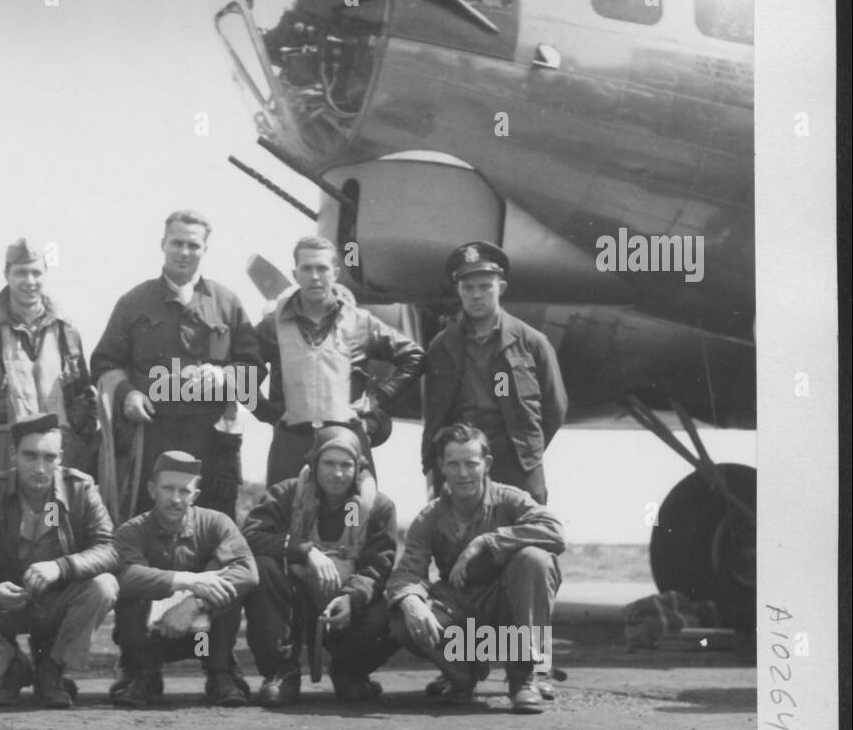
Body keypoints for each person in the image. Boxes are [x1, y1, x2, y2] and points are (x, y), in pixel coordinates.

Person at [0, 413, 119, 709]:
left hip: (60, 600)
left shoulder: (80, 490)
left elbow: (108, 549)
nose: (40, 467)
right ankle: (10, 669)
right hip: (8, 602)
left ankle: (52, 671)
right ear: (14, 455)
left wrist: (61, 567)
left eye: (49, 458)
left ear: (60, 458)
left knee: (104, 586)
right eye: (30, 456)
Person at [89, 210, 263, 521]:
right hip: (150, 436)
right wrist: (128, 394)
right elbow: (104, 363)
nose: (184, 252)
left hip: (210, 439)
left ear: (205, 250)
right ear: (163, 244)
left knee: (210, 523)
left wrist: (224, 376)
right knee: (144, 521)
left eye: (194, 246)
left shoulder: (227, 303)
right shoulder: (133, 303)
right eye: (177, 243)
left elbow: (254, 369)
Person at [385, 423, 566, 713]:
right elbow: (407, 571)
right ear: (441, 466)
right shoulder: (430, 517)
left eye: (471, 463)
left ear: (487, 464)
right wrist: (411, 601)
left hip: (507, 605)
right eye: (453, 464)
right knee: (401, 616)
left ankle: (524, 676)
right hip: (462, 607)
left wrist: (488, 540)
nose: (463, 473)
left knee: (535, 559)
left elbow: (554, 532)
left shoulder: (510, 499)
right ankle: (463, 674)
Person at [242, 426, 399, 706]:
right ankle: (282, 673)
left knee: (389, 608)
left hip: (346, 605)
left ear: (358, 467)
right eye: (328, 463)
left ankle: (349, 673)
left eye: (345, 465)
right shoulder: (286, 494)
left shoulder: (379, 507)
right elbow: (251, 537)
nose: (337, 474)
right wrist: (305, 550)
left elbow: (379, 567)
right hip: (295, 599)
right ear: (313, 463)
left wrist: (353, 598)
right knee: (263, 567)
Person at [255, 236, 425, 485]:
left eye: (322, 268)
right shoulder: (272, 326)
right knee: (283, 514)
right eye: (307, 268)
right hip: (291, 443)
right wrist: (266, 412)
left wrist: (379, 399)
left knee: (353, 516)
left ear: (334, 273)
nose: (315, 276)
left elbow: (414, 356)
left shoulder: (361, 322)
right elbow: (242, 373)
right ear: (295, 273)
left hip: (347, 440)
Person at [0, 238, 99, 498]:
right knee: (2, 534)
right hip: (0, 459)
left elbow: (85, 397)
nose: (29, 281)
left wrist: (79, 450)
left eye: (36, 272)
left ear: (45, 274)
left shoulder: (67, 332)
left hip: (57, 460)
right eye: (20, 272)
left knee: (56, 528)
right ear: (6, 274)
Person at [422, 241, 567, 505]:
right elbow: (433, 412)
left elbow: (555, 407)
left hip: (516, 462)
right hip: (462, 462)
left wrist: (526, 449)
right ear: (459, 290)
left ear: (500, 288)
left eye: (485, 286)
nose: (476, 295)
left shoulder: (533, 343)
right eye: (468, 288)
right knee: (457, 542)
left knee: (525, 540)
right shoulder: (440, 347)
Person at [110, 451, 258, 709]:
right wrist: (188, 581)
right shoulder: (131, 531)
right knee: (132, 591)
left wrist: (195, 603)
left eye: (185, 491)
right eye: (168, 489)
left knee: (228, 583)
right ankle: (144, 674)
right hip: (154, 635)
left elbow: (247, 570)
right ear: (152, 490)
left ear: (195, 495)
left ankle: (219, 673)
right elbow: (124, 575)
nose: (176, 499)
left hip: (203, 639)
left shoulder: (217, 523)